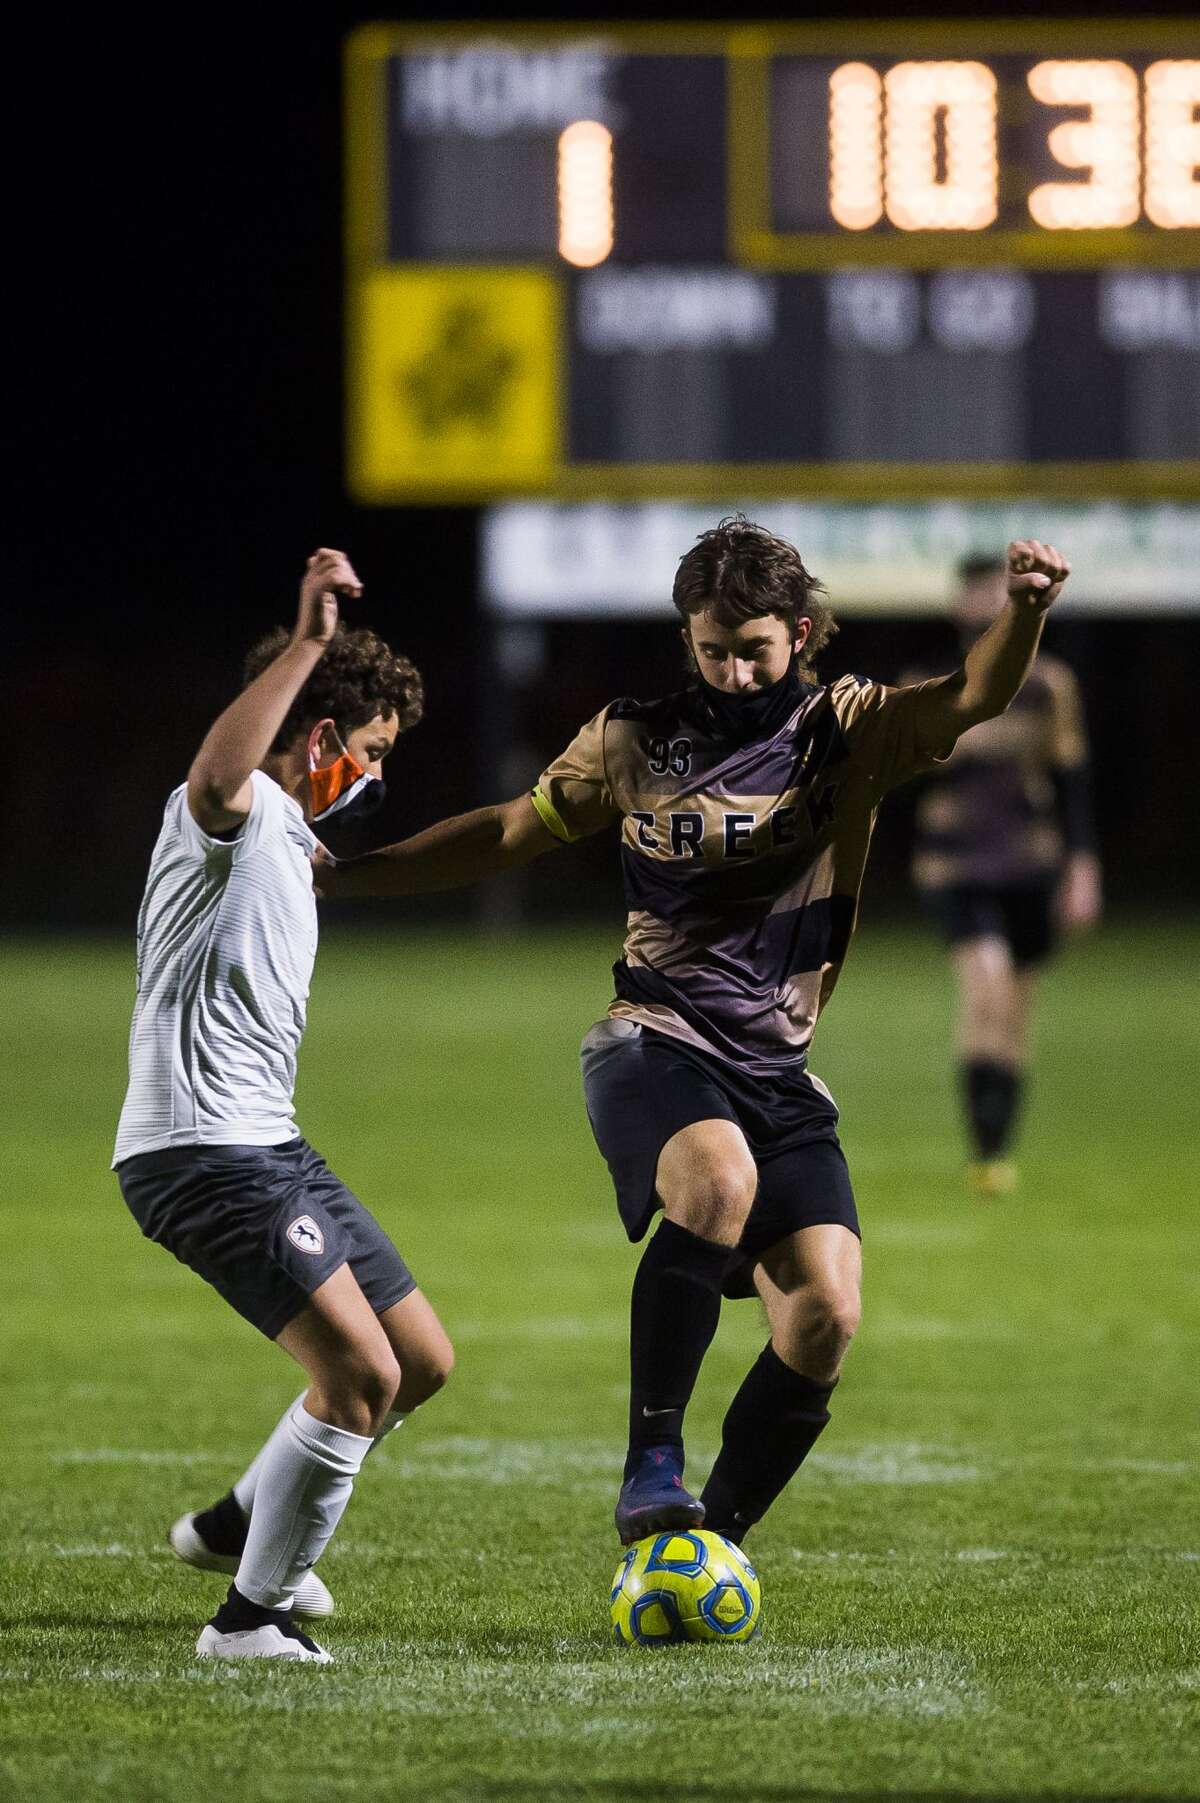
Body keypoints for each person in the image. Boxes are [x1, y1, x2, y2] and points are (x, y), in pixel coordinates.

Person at [319, 517, 1071, 1549]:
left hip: (780, 1070)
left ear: (801, 633)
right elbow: (505, 832)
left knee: (826, 1318)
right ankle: (652, 1463)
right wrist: (347, 878)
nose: (729, 670)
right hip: (655, 1038)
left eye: (752, 649)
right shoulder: (634, 738)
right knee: (719, 1184)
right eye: (710, 649)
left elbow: (976, 693)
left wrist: (1025, 609)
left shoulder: (847, 728)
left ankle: (702, 1545)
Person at [113, 549, 454, 1663]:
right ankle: (248, 1622)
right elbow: (219, 775)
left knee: (420, 1358)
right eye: (370, 751)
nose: (375, 775)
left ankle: (234, 1530)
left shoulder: (297, 844)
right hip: (199, 1151)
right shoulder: (236, 805)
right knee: (359, 1376)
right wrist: (308, 645)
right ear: (318, 738)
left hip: (270, 1144)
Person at [908, 553, 1102, 1196]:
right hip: (956, 864)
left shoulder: (1050, 684)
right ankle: (984, 1144)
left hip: (1029, 863)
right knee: (985, 986)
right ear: (956, 605)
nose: (983, 603)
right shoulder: (929, 685)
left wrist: (1081, 866)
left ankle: (995, 1151)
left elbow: (1071, 779)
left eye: (993, 591)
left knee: (1015, 1009)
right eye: (973, 593)